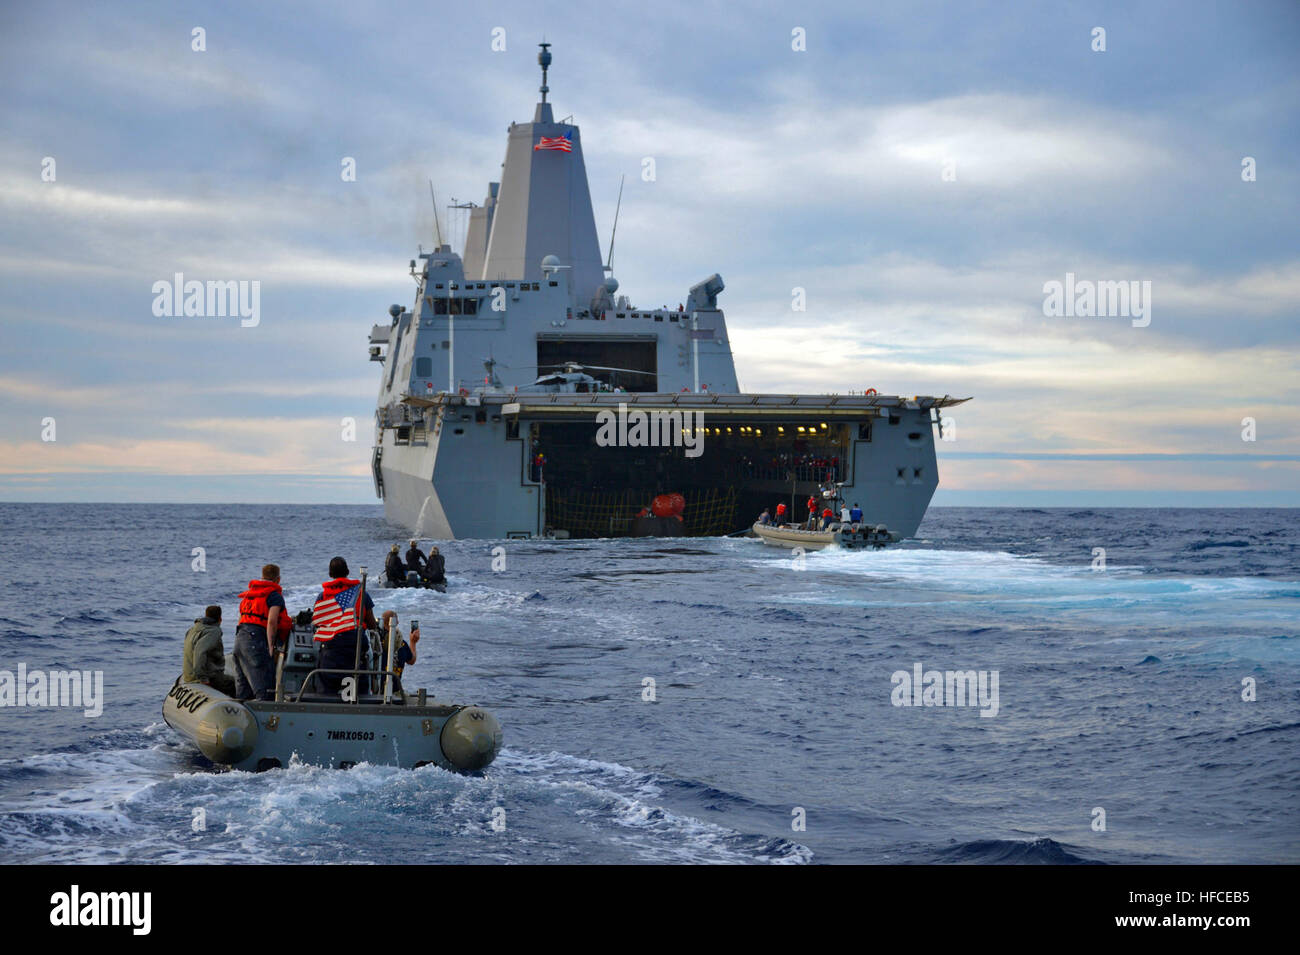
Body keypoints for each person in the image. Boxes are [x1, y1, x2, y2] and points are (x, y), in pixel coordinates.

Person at [312, 557, 377, 696]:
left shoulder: (322, 597)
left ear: (330, 574)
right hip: (355, 650)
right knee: (360, 692)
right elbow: (372, 624)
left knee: (325, 691)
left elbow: (317, 622)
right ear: (347, 571)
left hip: (330, 651)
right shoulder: (361, 593)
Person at [234, 564, 290, 701]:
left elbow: (241, 618)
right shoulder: (274, 596)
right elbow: (271, 621)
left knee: (243, 687)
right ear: (278, 579)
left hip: (239, 639)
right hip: (256, 640)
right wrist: (271, 646)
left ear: (262, 576)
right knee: (264, 690)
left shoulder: (248, 595)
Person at [183, 605, 236, 696]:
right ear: (220, 619)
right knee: (237, 683)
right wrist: (203, 678)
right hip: (204, 677)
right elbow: (200, 653)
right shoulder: (214, 631)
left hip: (188, 676)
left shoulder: (193, 629)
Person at [379, 610, 421, 680]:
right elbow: (411, 660)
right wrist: (413, 642)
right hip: (396, 688)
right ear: (397, 622)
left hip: (376, 687)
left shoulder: (376, 642)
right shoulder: (402, 644)